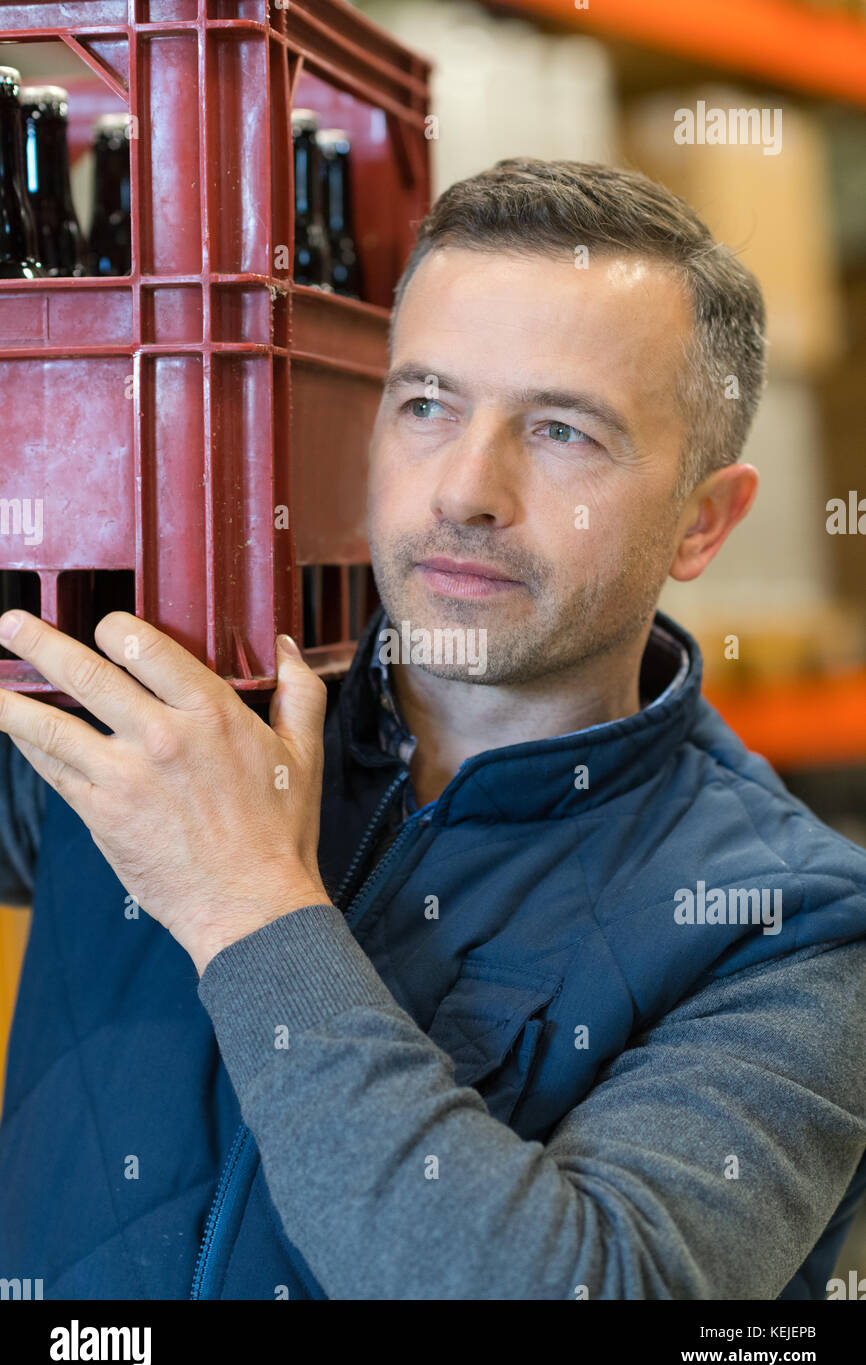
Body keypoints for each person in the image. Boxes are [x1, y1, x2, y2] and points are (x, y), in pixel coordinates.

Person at [1, 159, 865, 1301]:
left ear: (701, 521)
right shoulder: (184, 710)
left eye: (562, 431)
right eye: (426, 404)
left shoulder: (790, 934)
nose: (464, 489)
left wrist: (246, 902)